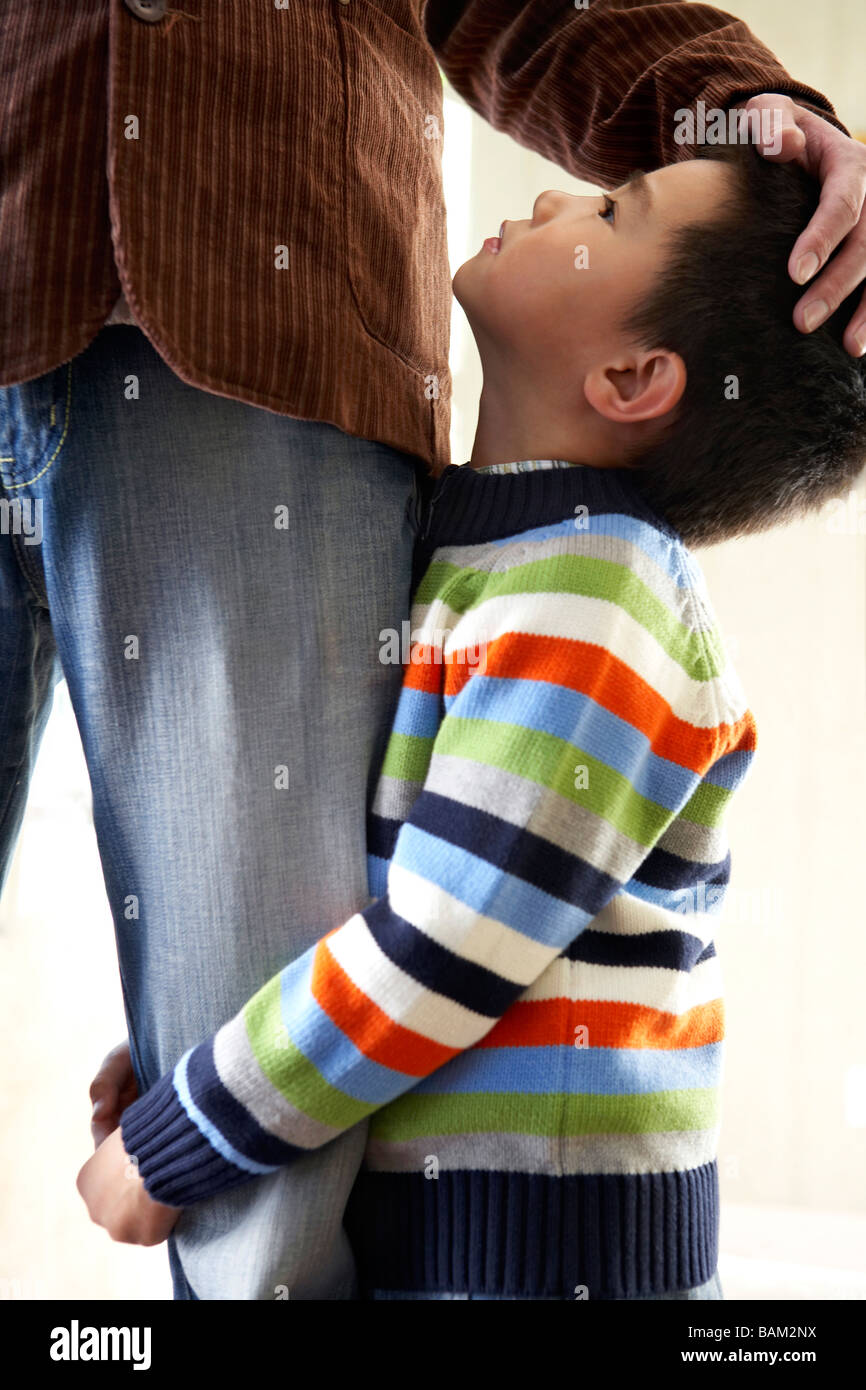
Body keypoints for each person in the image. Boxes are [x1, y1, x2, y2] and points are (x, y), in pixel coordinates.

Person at [3, 1, 866, 1303]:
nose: (563, 202)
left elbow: (445, 937)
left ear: (634, 375)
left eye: (612, 212)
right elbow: (400, 896)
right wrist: (203, 1050)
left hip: (529, 1263)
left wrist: (184, 1132)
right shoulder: (500, 566)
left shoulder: (598, 598)